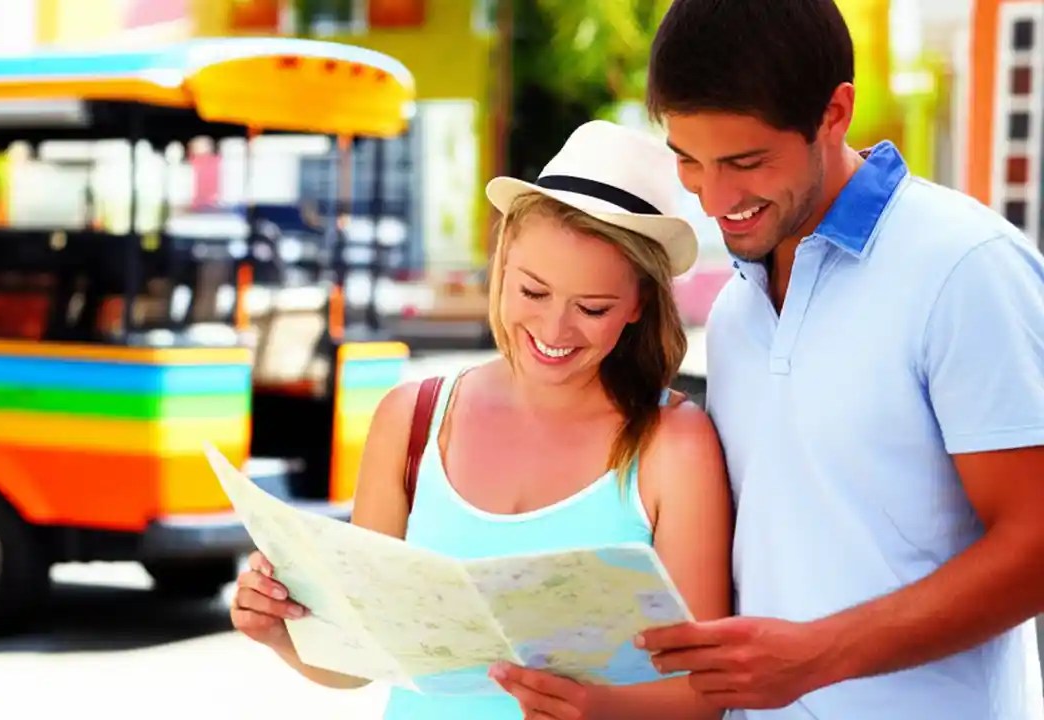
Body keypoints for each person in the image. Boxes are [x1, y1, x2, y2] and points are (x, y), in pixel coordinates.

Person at [229, 120, 735, 719]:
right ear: (502, 264)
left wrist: (594, 709)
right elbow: (359, 656)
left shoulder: (673, 444)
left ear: (637, 305)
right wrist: (280, 630)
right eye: (533, 292)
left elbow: (705, 690)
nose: (553, 331)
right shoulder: (413, 422)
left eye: (592, 308)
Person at [631, 1, 1044, 718]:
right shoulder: (735, 310)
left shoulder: (964, 269)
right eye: (689, 162)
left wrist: (819, 656)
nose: (717, 199)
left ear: (834, 112)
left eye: (746, 162)